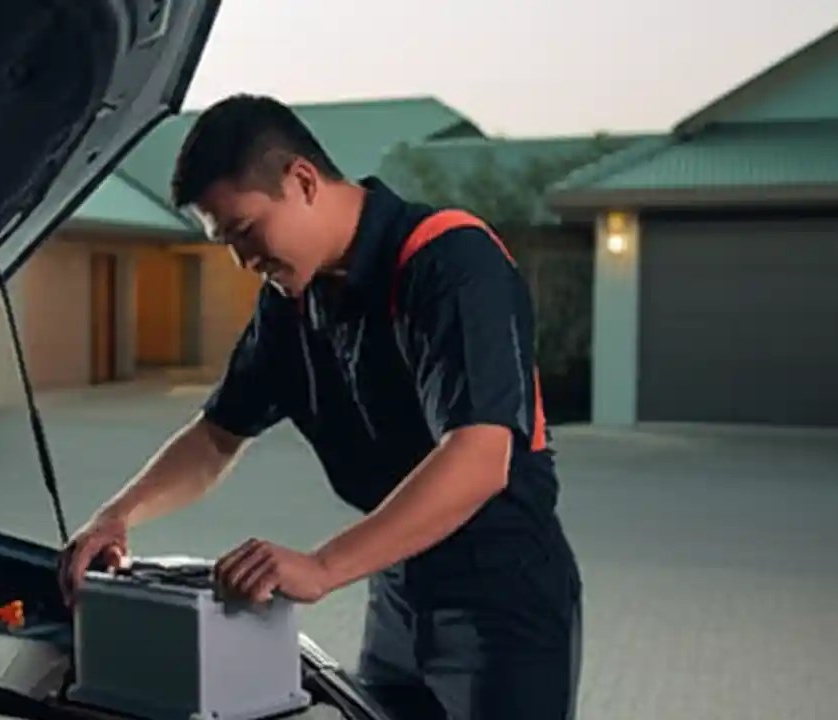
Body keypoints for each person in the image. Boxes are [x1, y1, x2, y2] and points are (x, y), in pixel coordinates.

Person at [58, 93, 583, 720]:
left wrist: (324, 566)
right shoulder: (292, 301)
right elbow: (217, 436)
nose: (243, 260)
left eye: (246, 231)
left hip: (501, 599)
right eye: (225, 241)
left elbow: (478, 457)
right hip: (397, 589)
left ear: (303, 180)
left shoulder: (449, 261)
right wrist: (119, 514)